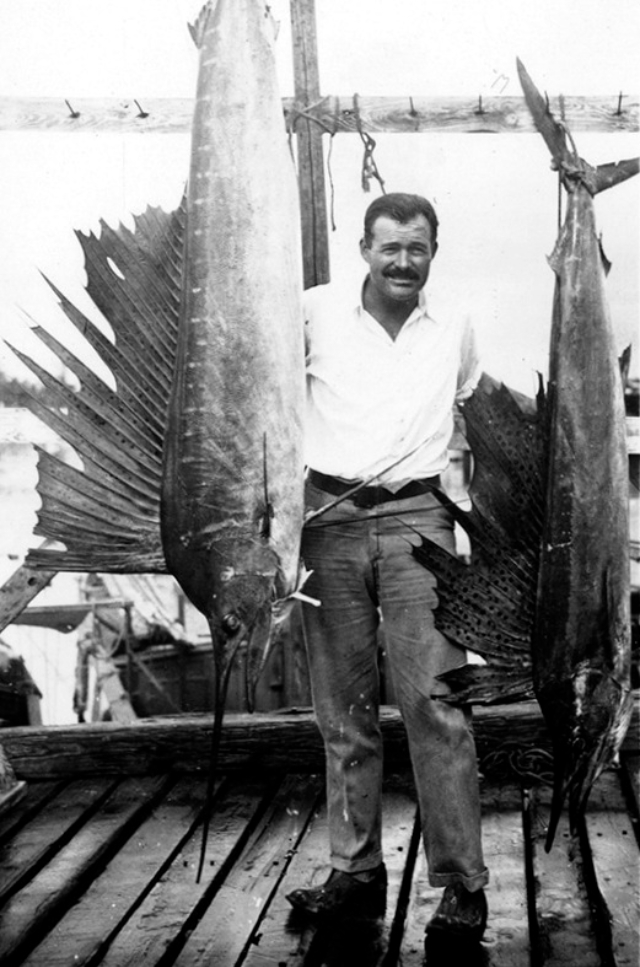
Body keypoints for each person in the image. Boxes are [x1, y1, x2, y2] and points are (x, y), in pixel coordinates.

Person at [285, 192, 489, 944]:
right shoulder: (310, 312)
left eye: (418, 248)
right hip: (327, 519)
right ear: (363, 249)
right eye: (389, 247)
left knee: (438, 704)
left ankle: (463, 883)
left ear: (434, 249)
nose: (403, 261)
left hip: (420, 519)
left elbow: (468, 403)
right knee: (343, 708)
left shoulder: (456, 323)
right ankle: (355, 870)